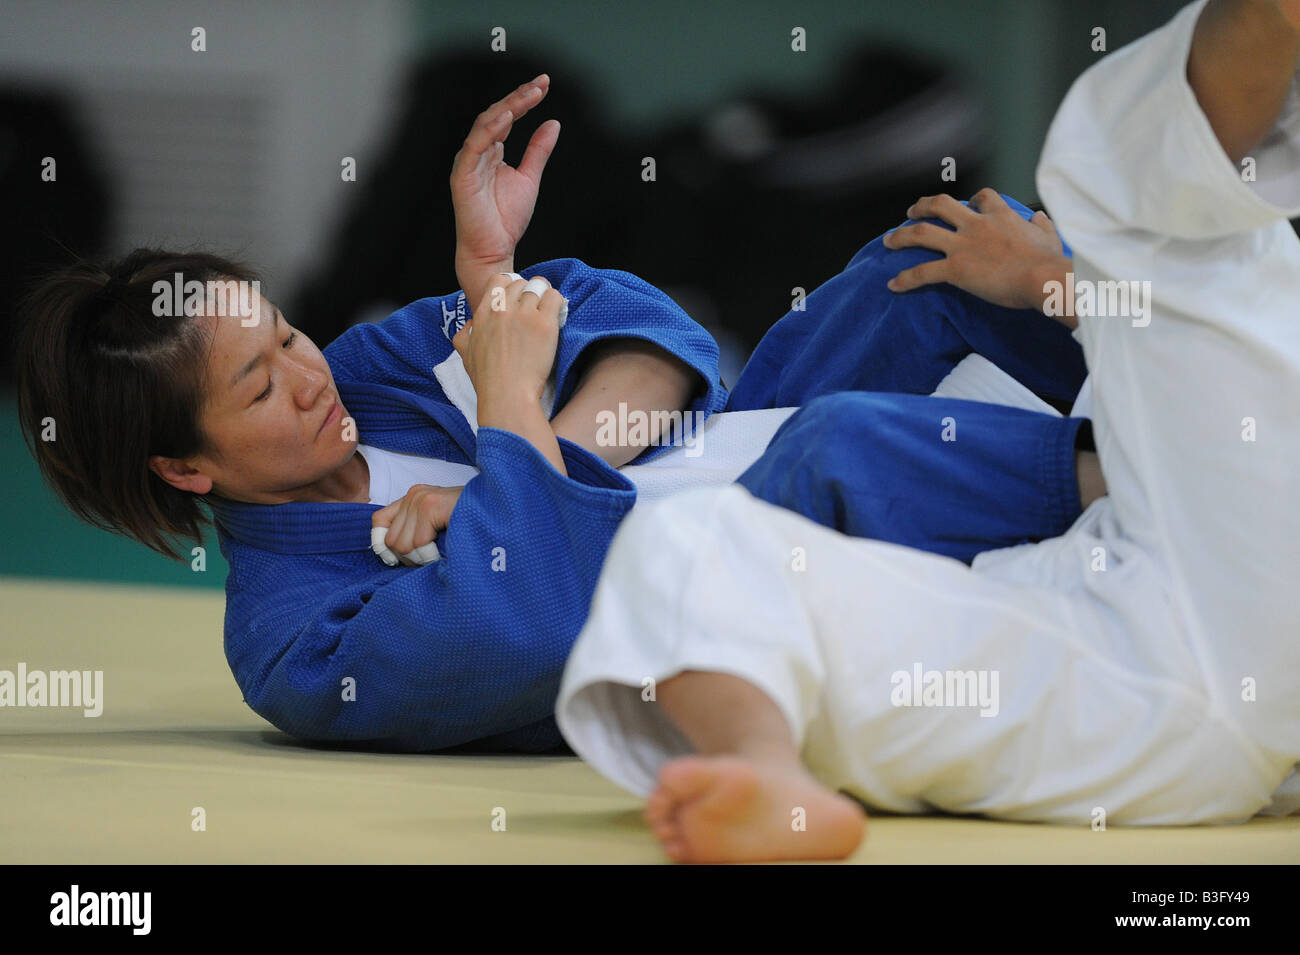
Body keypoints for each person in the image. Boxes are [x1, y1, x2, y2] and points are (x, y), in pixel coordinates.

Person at [17, 77, 1101, 754]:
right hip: (713, 588)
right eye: (259, 387)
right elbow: (529, 628)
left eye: (287, 336)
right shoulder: (296, 640)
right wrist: (506, 413)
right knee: (840, 443)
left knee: (931, 253)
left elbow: (643, 333)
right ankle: (1145, 483)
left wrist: (510, 376)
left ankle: (1148, 368)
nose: (309, 376)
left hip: (722, 446)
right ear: (187, 471)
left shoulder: (364, 374)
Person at [554, 0, 1300, 862]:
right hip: (1131, 683)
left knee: (1144, 181)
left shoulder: (1214, 252)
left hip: (1216, 601)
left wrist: (1050, 283)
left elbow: (1257, 33)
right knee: (683, 543)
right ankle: (769, 777)